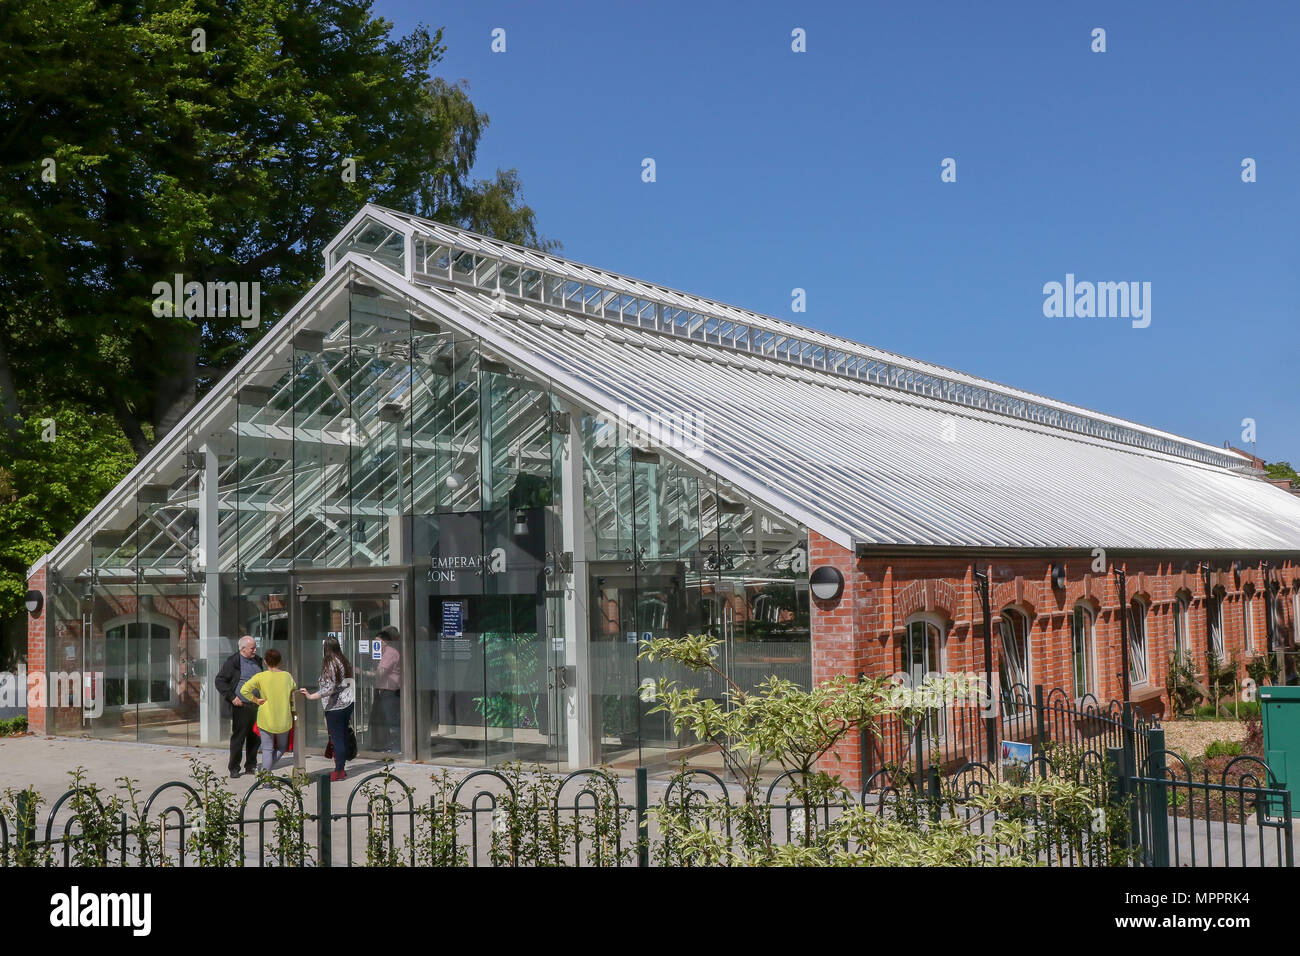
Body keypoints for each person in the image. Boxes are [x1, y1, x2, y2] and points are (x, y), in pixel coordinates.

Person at [299, 638, 355, 781]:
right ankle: (341, 768)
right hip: (347, 703)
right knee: (341, 735)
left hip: (335, 706)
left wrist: (311, 696)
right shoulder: (344, 661)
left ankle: (339, 771)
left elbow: (329, 688)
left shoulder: (330, 663)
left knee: (337, 739)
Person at [240, 648, 297, 775]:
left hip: (265, 717)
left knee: (267, 749)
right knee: (282, 748)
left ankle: (265, 777)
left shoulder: (260, 676)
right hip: (283, 718)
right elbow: (294, 690)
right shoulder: (287, 676)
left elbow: (244, 690)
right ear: (280, 661)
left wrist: (256, 700)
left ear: (265, 662)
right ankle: (265, 771)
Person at [214, 635, 263, 779]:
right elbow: (220, 681)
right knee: (239, 737)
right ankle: (234, 767)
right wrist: (232, 697)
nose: (255, 650)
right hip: (241, 705)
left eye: (255, 647)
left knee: (255, 737)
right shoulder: (234, 662)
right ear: (242, 648)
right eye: (252, 648)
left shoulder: (257, 660)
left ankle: (251, 765)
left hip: (256, 704)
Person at [374, 625, 401, 753]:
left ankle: (397, 746)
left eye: (377, 641)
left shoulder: (390, 653)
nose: (375, 644)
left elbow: (381, 672)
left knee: (392, 720)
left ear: (385, 641)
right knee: (385, 719)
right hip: (383, 690)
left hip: (390, 690)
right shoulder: (382, 653)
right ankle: (387, 744)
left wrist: (364, 673)